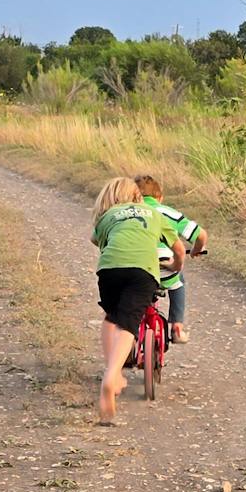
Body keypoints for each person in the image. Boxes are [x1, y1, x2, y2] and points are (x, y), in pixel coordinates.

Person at [91, 177, 184, 421]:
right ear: (137, 196)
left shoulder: (108, 215)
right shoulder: (153, 213)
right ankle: (111, 377)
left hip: (109, 270)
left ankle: (115, 368)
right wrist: (175, 265)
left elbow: (96, 241)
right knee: (129, 323)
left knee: (112, 317)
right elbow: (178, 249)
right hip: (142, 271)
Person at [134, 174, 208, 343]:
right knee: (178, 282)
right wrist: (196, 249)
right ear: (160, 197)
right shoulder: (168, 212)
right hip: (162, 266)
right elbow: (201, 235)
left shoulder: (125, 211)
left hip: (130, 265)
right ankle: (176, 326)